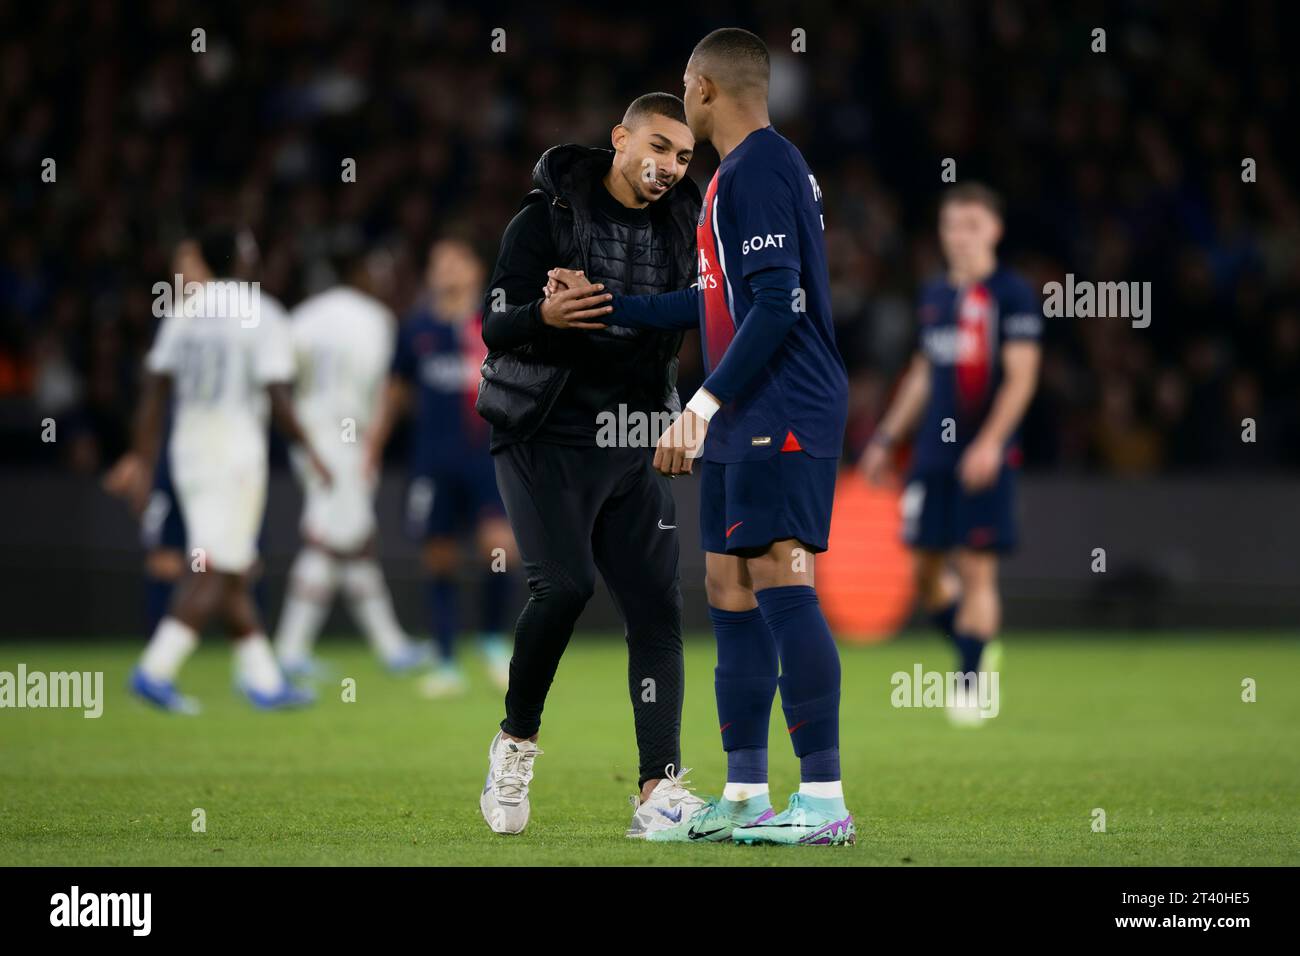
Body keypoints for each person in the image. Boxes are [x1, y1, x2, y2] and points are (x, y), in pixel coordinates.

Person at [549, 28, 854, 846]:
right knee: (728, 589)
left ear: (702, 87)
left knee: (783, 577)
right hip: (747, 411)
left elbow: (778, 304)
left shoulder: (756, 170)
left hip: (780, 404)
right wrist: (609, 302)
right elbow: (715, 301)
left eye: (685, 92)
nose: (683, 104)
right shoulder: (743, 174)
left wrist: (703, 405)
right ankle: (747, 794)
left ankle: (823, 802)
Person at [475, 93, 703, 837]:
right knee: (565, 586)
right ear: (620, 139)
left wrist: (675, 412)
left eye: (684, 156)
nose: (669, 166)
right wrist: (542, 316)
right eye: (659, 147)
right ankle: (515, 743)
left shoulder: (683, 230)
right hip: (542, 431)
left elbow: (690, 317)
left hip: (629, 434)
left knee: (657, 610)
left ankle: (657, 790)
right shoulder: (543, 220)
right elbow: (495, 328)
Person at [108, 226, 328, 713]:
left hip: (187, 452)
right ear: (241, 258)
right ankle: (155, 669)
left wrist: (142, 458)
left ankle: (263, 679)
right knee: (220, 567)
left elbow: (154, 391)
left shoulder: (183, 312)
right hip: (234, 455)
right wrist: (313, 451)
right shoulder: (263, 314)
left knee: (230, 566)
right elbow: (278, 398)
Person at [860, 183, 1042, 725]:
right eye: (952, 226)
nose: (960, 236)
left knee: (977, 569)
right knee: (924, 572)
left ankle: (970, 683)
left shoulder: (1011, 293)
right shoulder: (935, 294)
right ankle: (975, 646)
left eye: (972, 225)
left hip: (985, 456)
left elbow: (1022, 376)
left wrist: (991, 442)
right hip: (931, 457)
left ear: (994, 230)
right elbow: (922, 371)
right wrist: (887, 436)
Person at [365, 239, 517, 697]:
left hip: (487, 457)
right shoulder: (417, 329)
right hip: (433, 461)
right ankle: (447, 659)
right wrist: (372, 443)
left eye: (455, 261)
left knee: (499, 550)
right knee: (440, 557)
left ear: (474, 270)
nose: (446, 270)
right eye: (438, 263)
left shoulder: (492, 323)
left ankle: (492, 641)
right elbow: (396, 390)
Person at [274, 250, 427, 677]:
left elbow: (280, 382)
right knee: (331, 539)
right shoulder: (375, 318)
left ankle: (389, 646)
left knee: (351, 540)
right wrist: (376, 443)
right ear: (356, 272)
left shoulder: (301, 316)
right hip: (349, 437)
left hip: (308, 436)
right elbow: (387, 389)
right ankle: (288, 651)